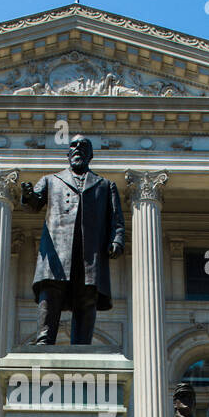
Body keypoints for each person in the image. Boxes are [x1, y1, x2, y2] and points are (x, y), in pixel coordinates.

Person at [20, 134, 125, 345]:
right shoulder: (51, 180)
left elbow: (116, 219)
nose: (78, 149)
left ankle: (82, 346)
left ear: (90, 155)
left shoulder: (105, 185)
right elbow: (34, 204)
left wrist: (117, 240)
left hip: (89, 252)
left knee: (87, 297)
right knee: (50, 294)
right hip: (57, 250)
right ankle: (43, 341)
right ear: (68, 154)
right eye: (74, 146)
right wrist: (29, 194)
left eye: (83, 146)